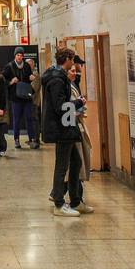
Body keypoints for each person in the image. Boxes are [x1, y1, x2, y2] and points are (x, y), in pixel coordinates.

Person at [41, 49, 84, 217]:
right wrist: (78, 102)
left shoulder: (58, 76)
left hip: (66, 126)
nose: (73, 64)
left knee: (76, 162)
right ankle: (59, 203)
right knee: (62, 165)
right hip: (61, 127)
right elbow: (60, 106)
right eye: (72, 60)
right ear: (67, 59)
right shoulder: (57, 79)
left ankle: (76, 200)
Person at [66, 59, 94, 213]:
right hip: (72, 129)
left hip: (74, 128)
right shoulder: (67, 87)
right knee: (76, 165)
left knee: (75, 165)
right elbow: (65, 111)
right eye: (72, 70)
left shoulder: (71, 85)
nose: (75, 73)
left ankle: (74, 199)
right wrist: (79, 106)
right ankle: (74, 200)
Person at [3, 48, 39, 148]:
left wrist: (31, 78)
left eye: (21, 55)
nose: (20, 57)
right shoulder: (9, 66)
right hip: (16, 97)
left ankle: (31, 139)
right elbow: (2, 80)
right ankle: (16, 139)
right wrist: (11, 82)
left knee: (29, 118)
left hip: (27, 96)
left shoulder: (27, 66)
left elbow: (28, 78)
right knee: (16, 119)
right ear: (15, 56)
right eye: (18, 55)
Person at [28, 57, 44, 145]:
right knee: (31, 120)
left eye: (30, 64)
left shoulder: (35, 75)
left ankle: (36, 139)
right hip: (29, 101)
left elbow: (34, 89)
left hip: (34, 101)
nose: (28, 66)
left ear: (33, 65)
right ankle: (32, 138)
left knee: (35, 120)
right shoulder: (29, 74)